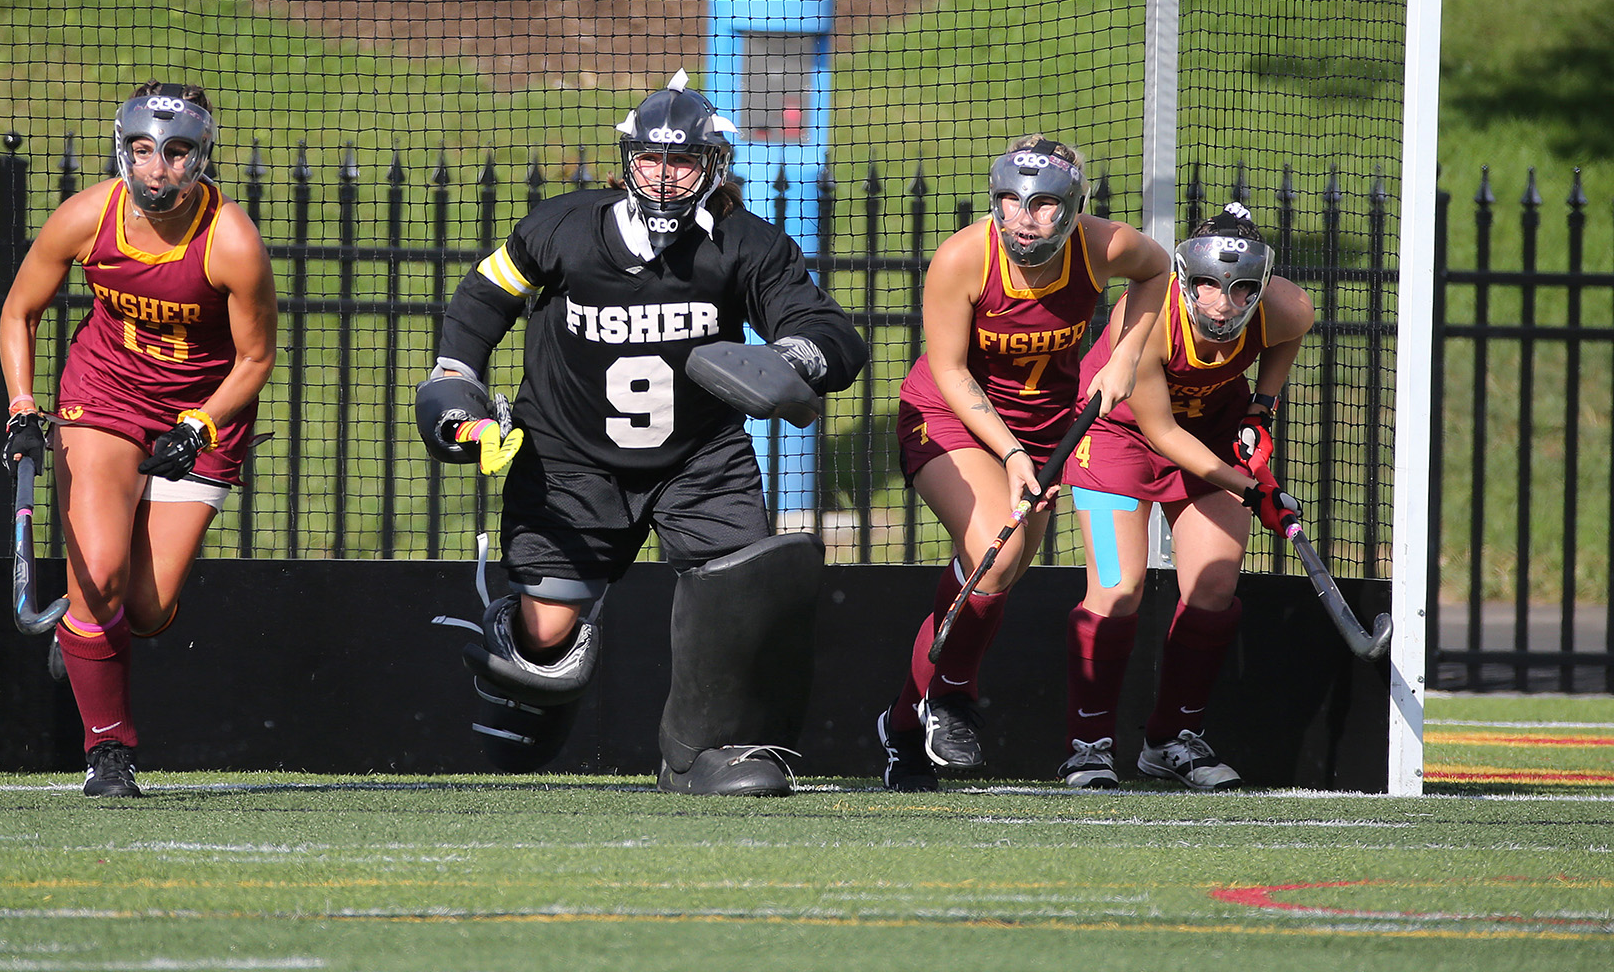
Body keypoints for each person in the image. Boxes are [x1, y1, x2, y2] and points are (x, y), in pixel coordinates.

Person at [416, 71, 867, 796]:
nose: (663, 175)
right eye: (650, 158)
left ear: (713, 166)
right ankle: (525, 651)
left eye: (682, 160)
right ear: (627, 160)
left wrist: (793, 358)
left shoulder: (747, 244)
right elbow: (482, 298)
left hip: (700, 457)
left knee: (741, 595)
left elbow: (830, 331)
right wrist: (455, 380)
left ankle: (710, 751)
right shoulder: (559, 228)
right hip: (567, 455)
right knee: (548, 639)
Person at [0, 81, 278, 797]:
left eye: (177, 152)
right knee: (99, 579)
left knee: (145, 610)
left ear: (202, 157)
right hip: (104, 396)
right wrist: (23, 406)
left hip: (204, 411)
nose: (159, 169)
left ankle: (87, 633)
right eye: (145, 150)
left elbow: (255, 360)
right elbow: (20, 311)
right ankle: (108, 751)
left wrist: (199, 426)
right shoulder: (86, 217)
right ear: (122, 149)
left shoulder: (231, 240)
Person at [878, 136, 1172, 792]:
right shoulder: (963, 258)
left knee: (996, 575)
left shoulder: (1102, 246)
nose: (1024, 219)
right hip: (952, 416)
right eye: (1011, 201)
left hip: (1044, 430)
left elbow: (1158, 272)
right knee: (998, 549)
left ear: (1073, 206)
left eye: (1043, 205)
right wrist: (1009, 453)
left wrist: (1123, 356)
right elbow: (950, 371)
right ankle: (951, 698)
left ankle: (902, 724)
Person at [1056, 203, 1312, 790]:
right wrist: (1252, 489)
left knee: (1214, 586)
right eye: (1209, 285)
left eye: (1241, 288)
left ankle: (1172, 738)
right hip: (1118, 435)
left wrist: (1261, 408)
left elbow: (1289, 333)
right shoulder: (1146, 320)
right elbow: (1162, 432)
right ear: (1185, 278)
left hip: (1213, 433)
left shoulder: (1286, 307)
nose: (1224, 303)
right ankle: (1086, 746)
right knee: (1117, 588)